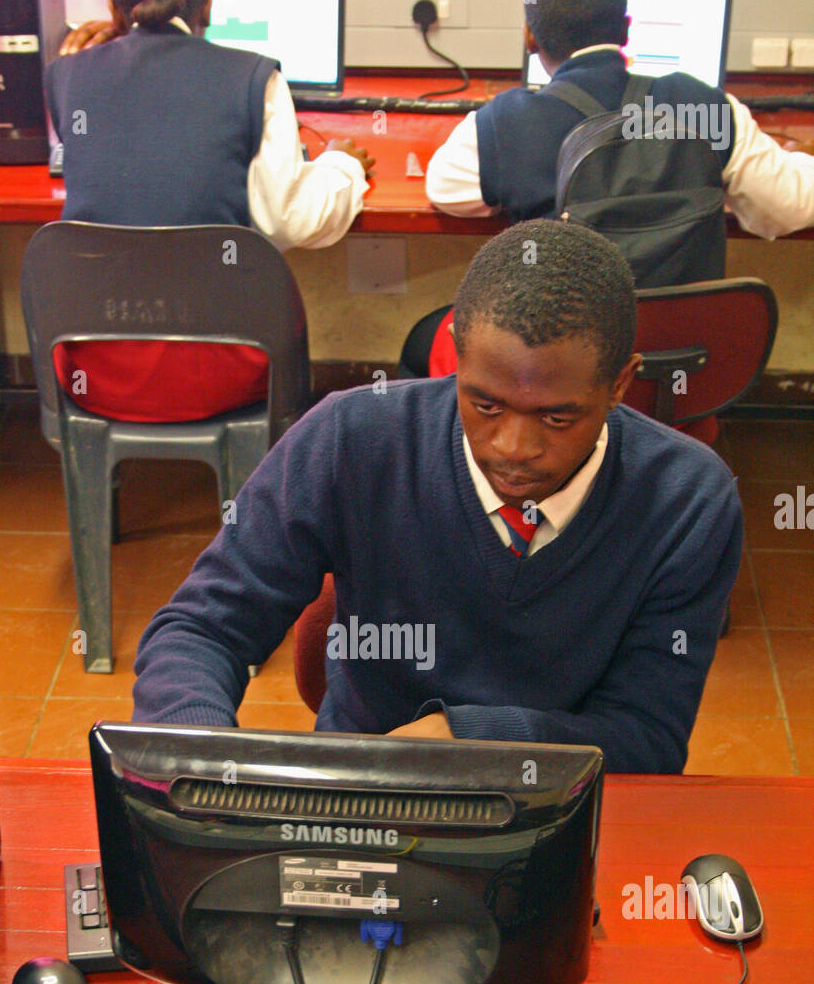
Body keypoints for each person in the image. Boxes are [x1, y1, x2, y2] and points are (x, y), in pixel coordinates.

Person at [132, 218, 744, 775]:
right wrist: (201, 763)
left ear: (620, 384)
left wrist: (471, 738)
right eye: (485, 404)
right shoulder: (353, 438)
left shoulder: (688, 502)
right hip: (363, 790)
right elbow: (200, 630)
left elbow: (647, 740)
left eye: (558, 418)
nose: (513, 446)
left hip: (558, 803)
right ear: (458, 354)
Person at [412, 0, 814, 378]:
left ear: (529, 38)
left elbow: (444, 190)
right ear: (625, 30)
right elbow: (787, 207)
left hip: (557, 372)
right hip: (682, 363)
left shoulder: (505, 122)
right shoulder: (707, 107)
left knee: (423, 341)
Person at [44, 0, 374, 422]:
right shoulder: (254, 77)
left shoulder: (67, 74)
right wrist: (342, 166)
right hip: (224, 375)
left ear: (113, 5)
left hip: (97, 373)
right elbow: (291, 221)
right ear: (207, 6)